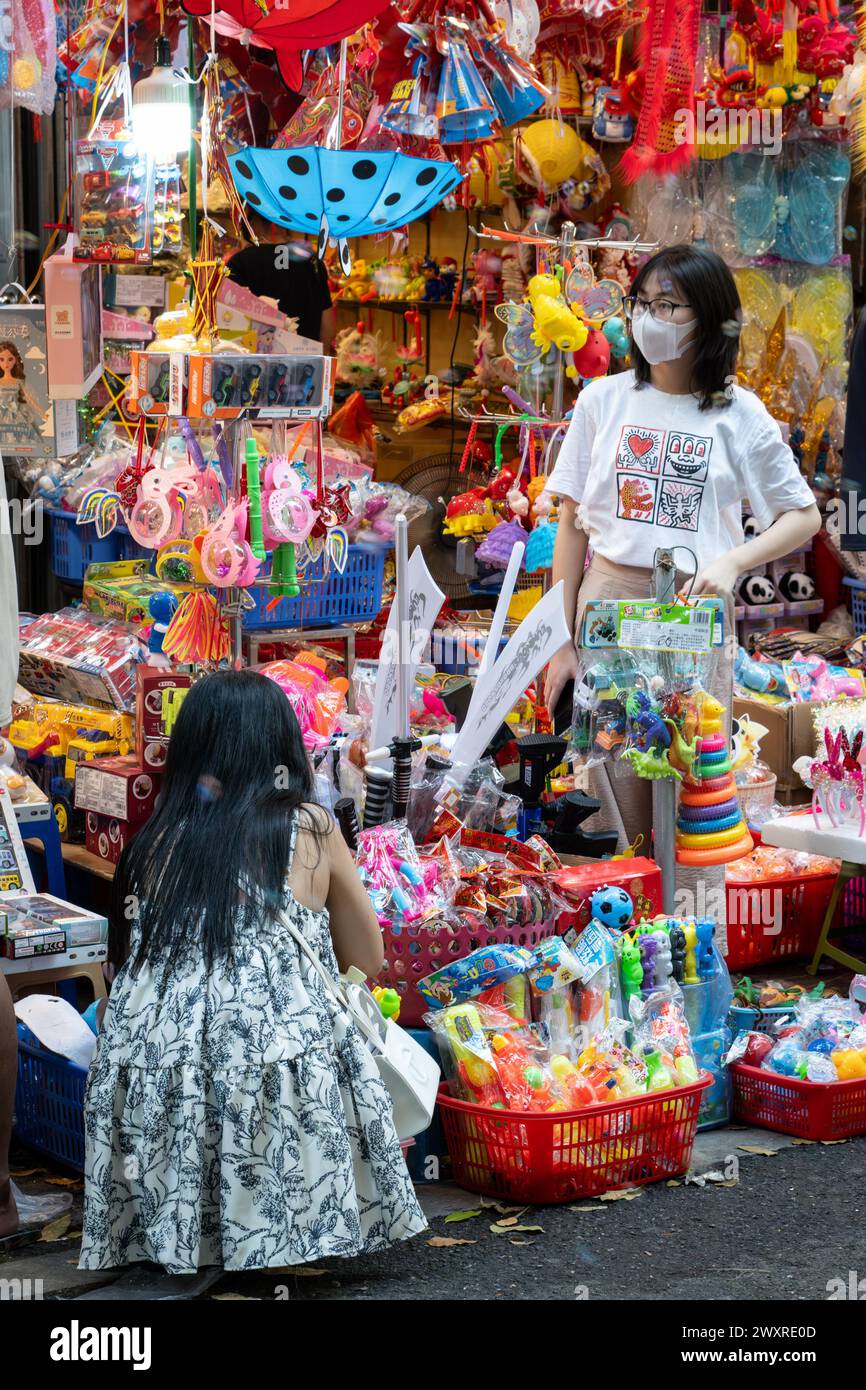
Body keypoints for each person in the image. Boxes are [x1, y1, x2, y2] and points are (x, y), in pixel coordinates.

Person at [79, 670, 426, 1275]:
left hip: (154, 1072)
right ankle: (286, 1230)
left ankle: (185, 1232)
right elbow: (367, 959)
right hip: (276, 1070)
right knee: (313, 1033)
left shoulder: (152, 842)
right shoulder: (310, 828)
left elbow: (122, 966)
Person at [543, 244, 820, 896]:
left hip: (693, 617)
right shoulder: (601, 401)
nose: (650, 318)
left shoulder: (739, 415)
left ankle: (690, 963)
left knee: (696, 796)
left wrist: (733, 560)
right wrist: (559, 640)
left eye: (669, 305)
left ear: (712, 319)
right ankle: (614, 964)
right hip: (609, 604)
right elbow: (569, 528)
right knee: (605, 792)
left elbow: (800, 515)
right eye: (643, 303)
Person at [226, 214, 336, 347]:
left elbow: (226, 322)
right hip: (305, 361)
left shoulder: (240, 262)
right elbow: (328, 329)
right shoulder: (312, 261)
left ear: (254, 217)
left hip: (253, 362)